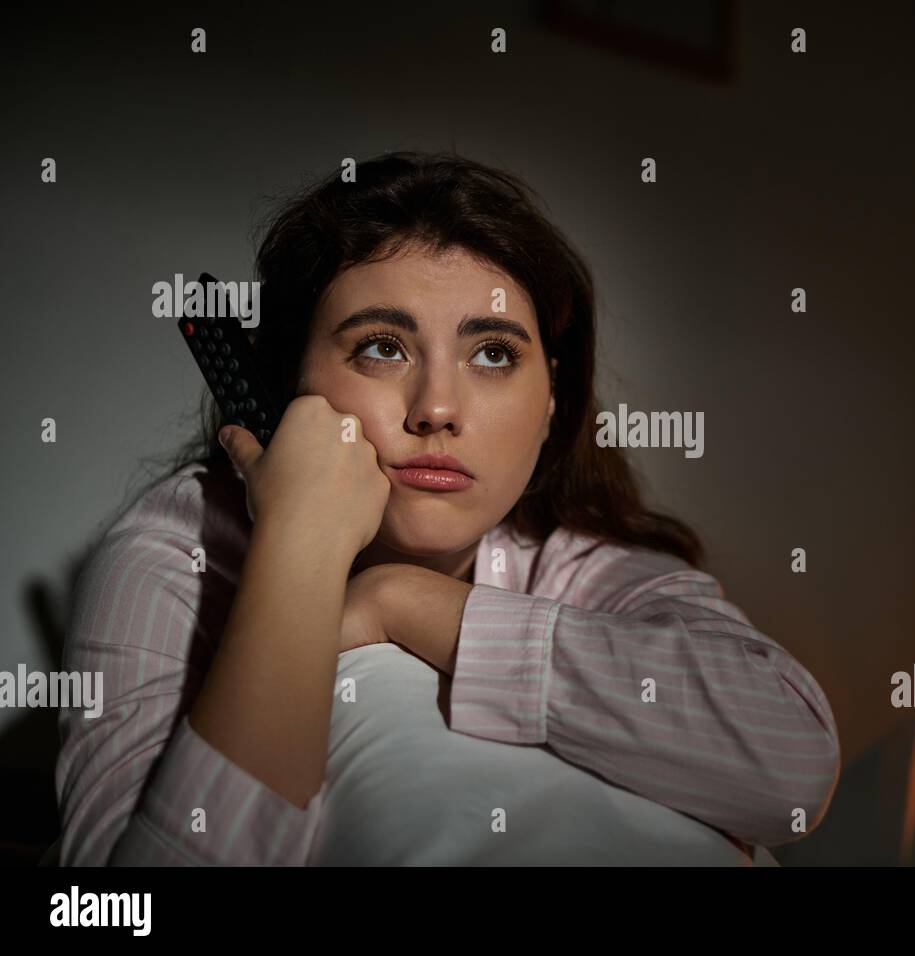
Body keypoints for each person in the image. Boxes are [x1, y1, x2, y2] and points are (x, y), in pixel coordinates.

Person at [54, 151, 841, 865]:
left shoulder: (586, 565)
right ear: (285, 384)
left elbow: (793, 765)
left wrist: (399, 602)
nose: (436, 408)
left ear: (551, 403)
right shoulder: (177, 550)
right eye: (381, 346)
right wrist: (300, 547)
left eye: (493, 353)